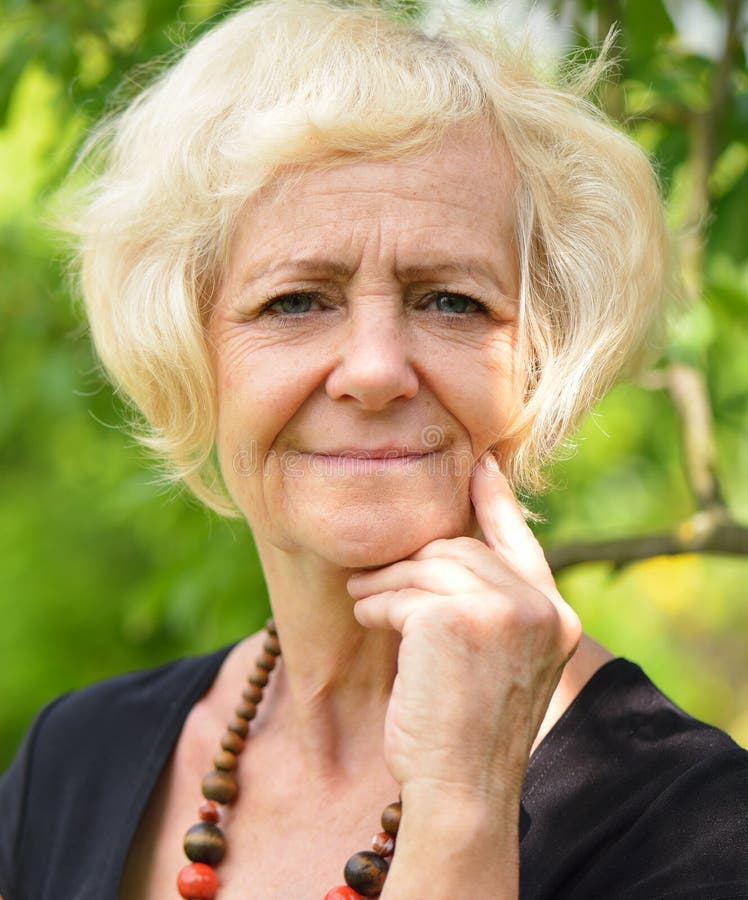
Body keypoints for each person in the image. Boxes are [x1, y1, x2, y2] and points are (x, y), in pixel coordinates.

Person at [1, 1, 746, 898]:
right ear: (192, 354)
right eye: (296, 301)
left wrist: (463, 804)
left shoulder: (702, 828)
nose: (376, 369)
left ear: (540, 357)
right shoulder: (74, 760)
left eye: (450, 301)